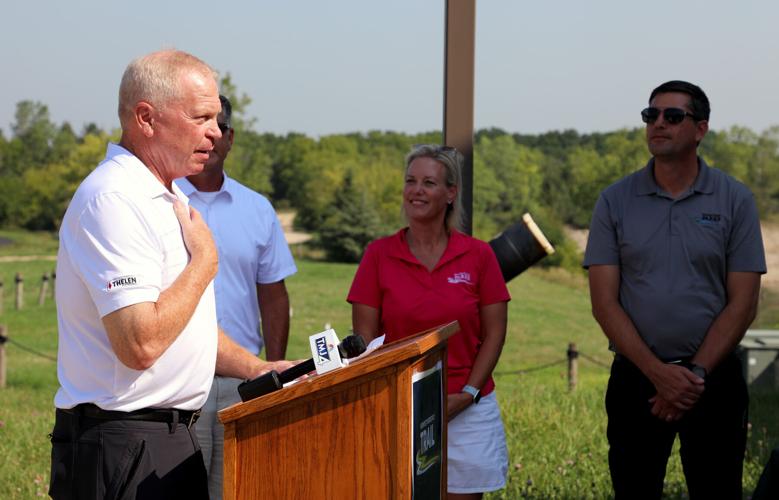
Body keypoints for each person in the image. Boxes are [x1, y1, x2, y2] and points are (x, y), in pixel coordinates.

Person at [50, 50, 294, 499]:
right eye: (202, 117)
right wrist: (205, 263)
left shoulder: (167, 195)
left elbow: (186, 328)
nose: (216, 133)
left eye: (217, 120)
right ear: (146, 118)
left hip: (166, 438)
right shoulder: (114, 200)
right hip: (124, 442)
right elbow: (140, 343)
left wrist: (260, 368)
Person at [584, 80, 766, 499]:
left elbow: (744, 302)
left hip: (713, 380)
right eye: (651, 115)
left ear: (700, 129)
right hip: (636, 379)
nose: (658, 124)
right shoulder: (614, 200)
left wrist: (693, 375)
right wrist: (658, 374)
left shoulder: (734, 199)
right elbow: (603, 302)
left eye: (672, 116)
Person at [347, 144, 510, 499]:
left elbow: (495, 333)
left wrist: (467, 395)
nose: (416, 190)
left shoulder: (479, 255)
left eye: (429, 182)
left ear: (451, 193)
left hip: (466, 407)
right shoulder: (378, 255)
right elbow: (364, 340)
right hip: (399, 407)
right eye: (411, 181)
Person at [175, 94, 297, 500]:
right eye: (199, 126)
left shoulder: (257, 208)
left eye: (219, 128)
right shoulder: (161, 201)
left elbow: (274, 297)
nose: (209, 137)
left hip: (241, 379)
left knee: (237, 489)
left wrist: (271, 371)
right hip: (176, 380)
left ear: (230, 138)